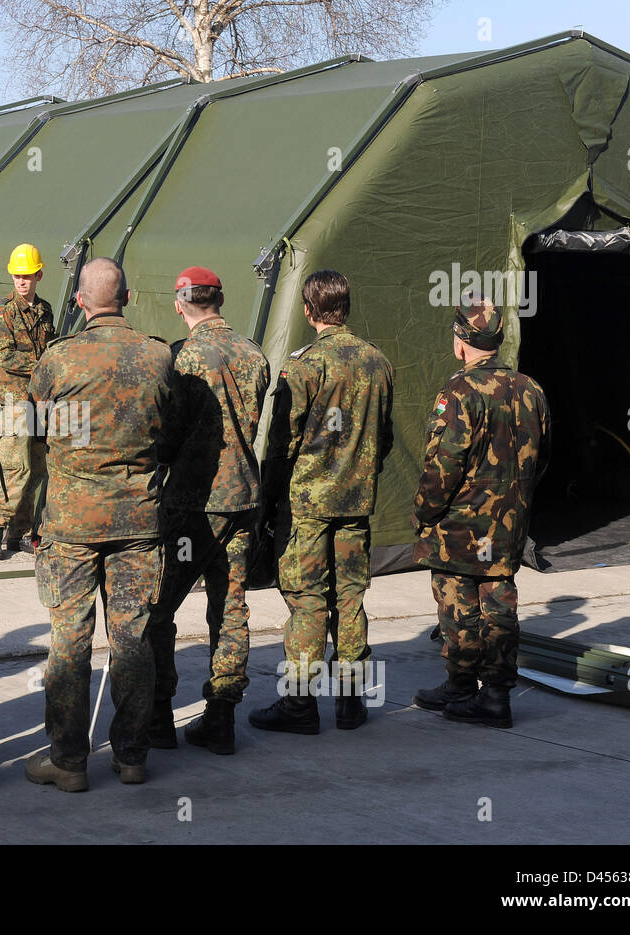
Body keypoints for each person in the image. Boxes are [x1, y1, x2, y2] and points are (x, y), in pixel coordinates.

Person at [23, 257, 173, 791]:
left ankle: (68, 762)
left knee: (69, 641)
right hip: (138, 519)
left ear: (80, 302)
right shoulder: (158, 356)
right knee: (132, 640)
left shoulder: (58, 360)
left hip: (71, 523)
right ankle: (132, 756)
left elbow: (33, 432)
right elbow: (168, 432)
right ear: (127, 299)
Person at [250, 269, 394, 734]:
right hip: (356, 503)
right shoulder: (378, 363)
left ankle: (299, 705)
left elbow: (280, 445)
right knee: (350, 599)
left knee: (308, 602)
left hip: (308, 506)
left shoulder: (305, 366)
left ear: (309, 311)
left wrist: (267, 501)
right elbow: (384, 438)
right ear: (345, 307)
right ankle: (351, 702)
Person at [412, 293, 550, 728]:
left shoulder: (459, 391)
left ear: (460, 339)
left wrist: (425, 511)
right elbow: (542, 457)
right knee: (499, 604)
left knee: (458, 605)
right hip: (507, 523)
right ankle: (489, 694)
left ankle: (464, 685)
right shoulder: (531, 389)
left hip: (460, 524)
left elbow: (442, 464)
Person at [149, 267, 269, 755]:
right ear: (220, 300)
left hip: (193, 505)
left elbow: (167, 435)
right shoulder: (254, 353)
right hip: (242, 498)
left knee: (159, 608)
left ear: (181, 305)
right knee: (230, 605)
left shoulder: (183, 358)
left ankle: (158, 715)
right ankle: (221, 715)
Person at [0, 243, 56, 559]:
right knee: (16, 466)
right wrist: (42, 363)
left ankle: (20, 533)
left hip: (38, 396)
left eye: (27, 276)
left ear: (39, 274)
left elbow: (50, 349)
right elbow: (3, 355)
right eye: (17, 276)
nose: (22, 282)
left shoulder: (44, 310)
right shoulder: (4, 311)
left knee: (38, 465)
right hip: (13, 395)